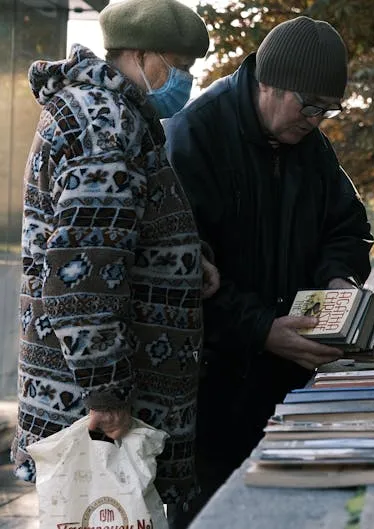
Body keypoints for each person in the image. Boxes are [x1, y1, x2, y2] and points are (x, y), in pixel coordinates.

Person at [12, 0, 218, 523]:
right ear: (141, 54)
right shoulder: (105, 126)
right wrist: (107, 393)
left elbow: (120, 233)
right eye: (179, 65)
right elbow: (82, 274)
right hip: (101, 415)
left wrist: (189, 260)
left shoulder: (104, 112)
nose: (185, 80)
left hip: (95, 397)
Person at [164, 16, 374, 522]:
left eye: (329, 110)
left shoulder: (312, 149)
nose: (317, 120)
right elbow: (182, 266)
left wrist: (338, 280)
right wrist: (260, 329)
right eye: (310, 105)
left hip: (288, 378)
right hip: (211, 384)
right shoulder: (196, 135)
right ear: (268, 83)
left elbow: (347, 228)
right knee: (214, 514)